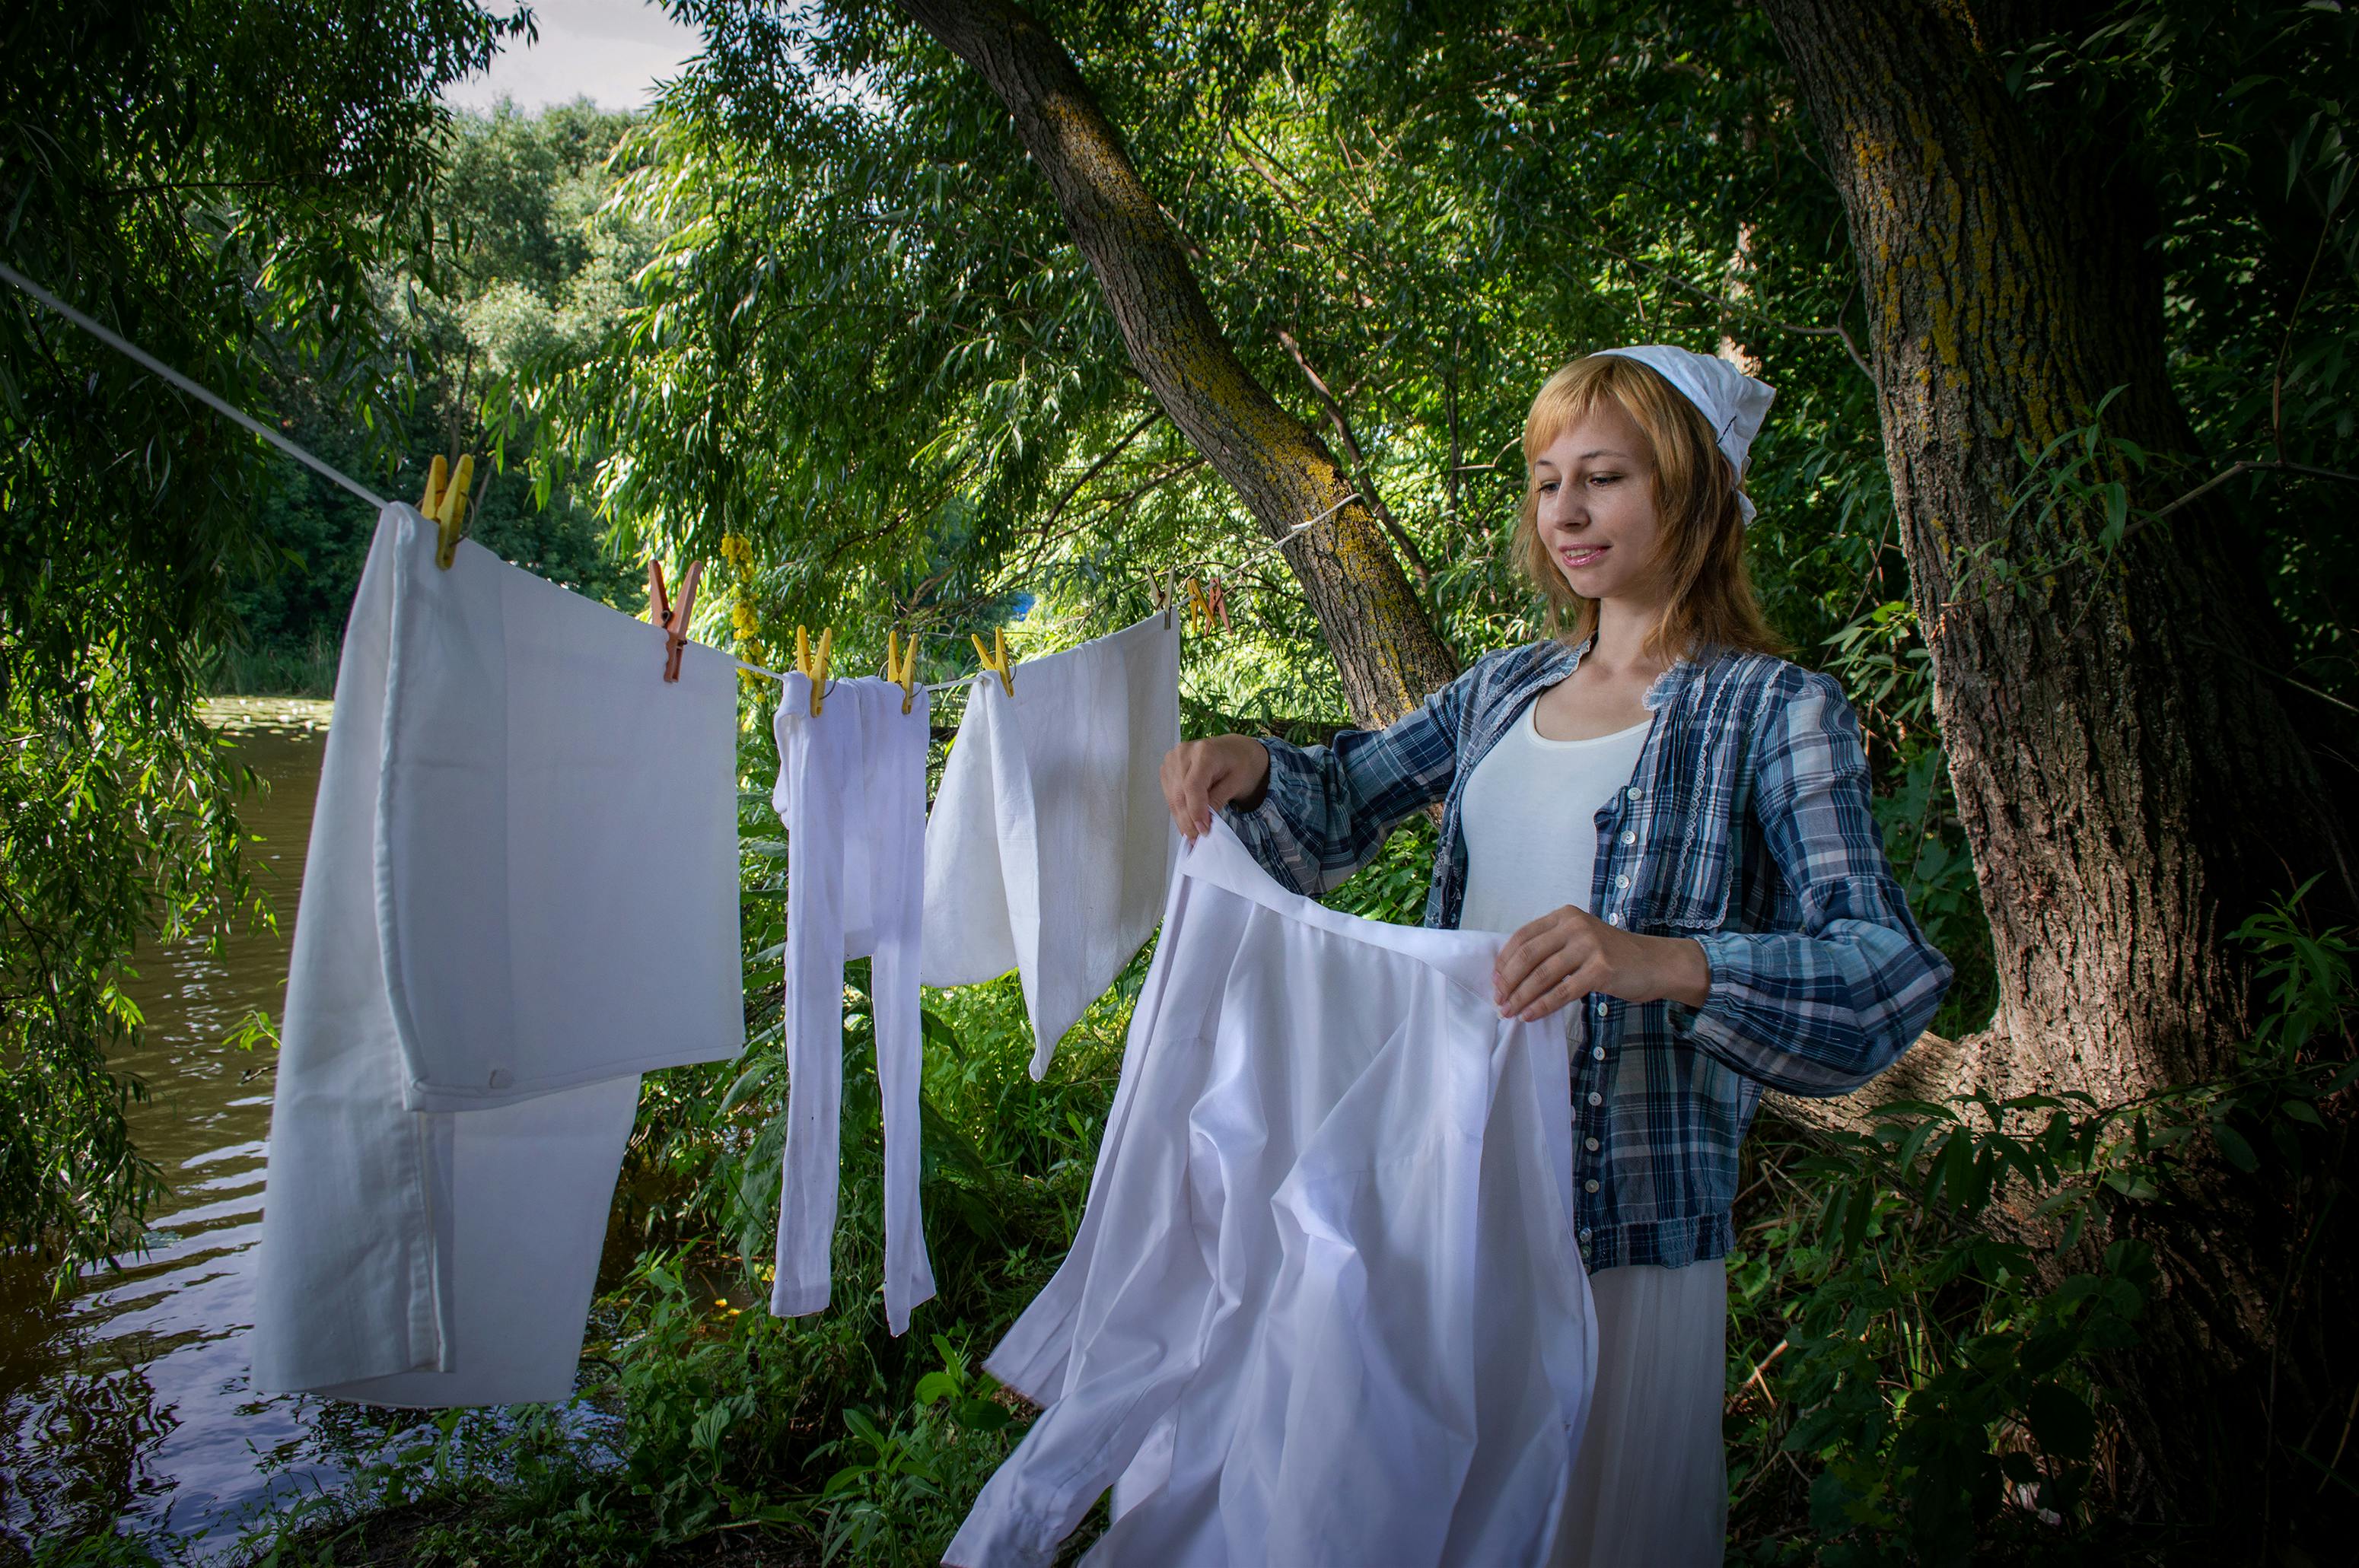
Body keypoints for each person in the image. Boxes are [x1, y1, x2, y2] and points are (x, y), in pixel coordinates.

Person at [1160, 345, 1953, 1565]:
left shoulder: (1774, 710)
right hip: (1447, 1192)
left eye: (1604, 477)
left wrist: (1662, 960)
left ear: (1690, 490)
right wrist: (1254, 765)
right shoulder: (1501, 689)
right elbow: (1331, 809)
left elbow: (1883, 972)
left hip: (1621, 1229)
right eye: (1545, 482)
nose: (1566, 513)